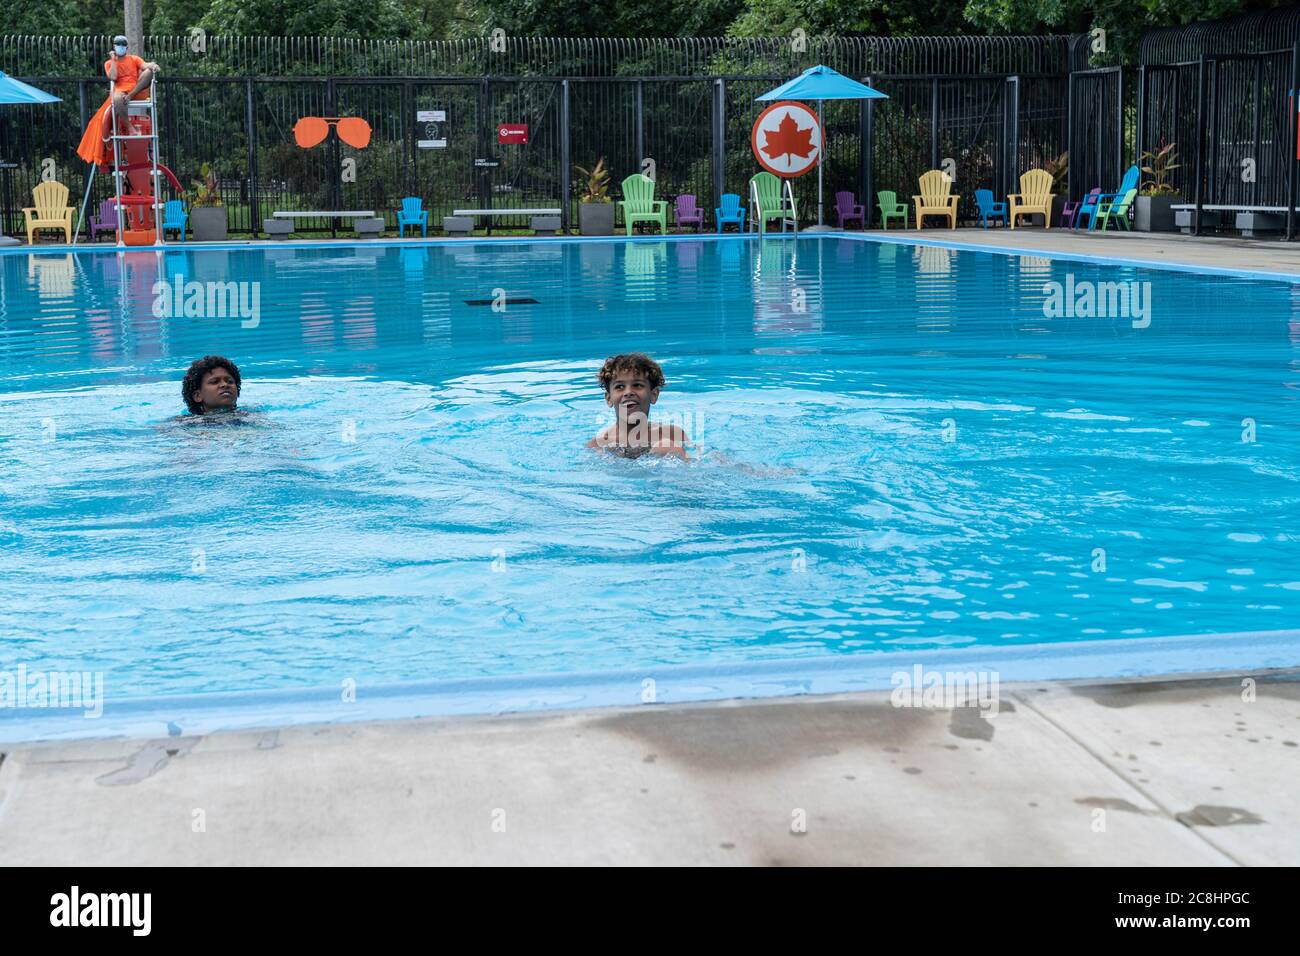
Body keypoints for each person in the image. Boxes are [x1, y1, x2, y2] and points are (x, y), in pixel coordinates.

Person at [75, 36, 161, 168]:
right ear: (114, 47)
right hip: (120, 91)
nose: (120, 47)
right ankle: (130, 128)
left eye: (122, 45)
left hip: (135, 89)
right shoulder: (109, 63)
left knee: (149, 72)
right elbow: (113, 77)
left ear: (126, 47)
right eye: (117, 45)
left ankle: (131, 96)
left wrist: (153, 65)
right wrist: (114, 60)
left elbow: (145, 65)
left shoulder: (134, 59)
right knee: (116, 99)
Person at [587, 353, 690, 460]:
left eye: (637, 385)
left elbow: (696, 463)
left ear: (654, 395)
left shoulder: (672, 434)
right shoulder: (598, 445)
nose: (628, 392)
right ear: (609, 399)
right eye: (619, 386)